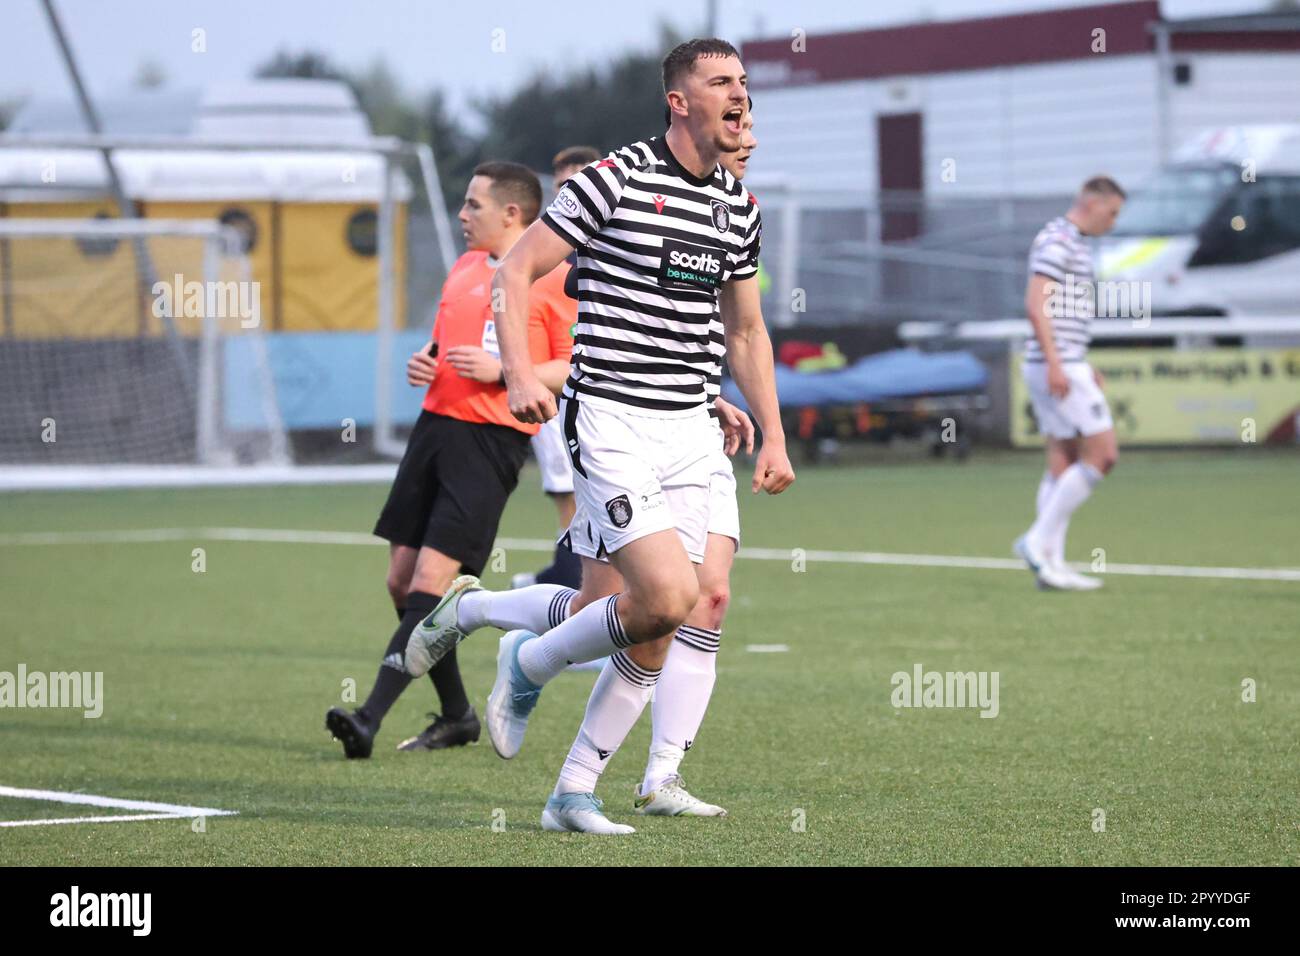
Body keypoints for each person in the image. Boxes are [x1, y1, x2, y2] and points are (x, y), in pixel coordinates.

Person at [407, 38, 794, 834]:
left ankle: (576, 790)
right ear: (679, 101)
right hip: (611, 417)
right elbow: (516, 270)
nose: (740, 95)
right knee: (661, 599)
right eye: (721, 82)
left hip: (691, 426)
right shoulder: (617, 178)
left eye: (745, 83)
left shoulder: (740, 207)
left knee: (686, 604)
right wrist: (517, 371)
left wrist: (776, 438)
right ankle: (527, 659)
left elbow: (747, 333)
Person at [324, 161, 574, 757]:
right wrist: (425, 359)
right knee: (402, 581)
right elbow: (443, 342)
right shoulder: (465, 267)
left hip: (488, 445)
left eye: (473, 206)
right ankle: (459, 714)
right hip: (433, 431)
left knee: (433, 586)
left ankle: (368, 720)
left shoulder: (554, 278)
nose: (462, 217)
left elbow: (573, 363)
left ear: (513, 214)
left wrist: (507, 371)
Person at [1014, 176, 1125, 591]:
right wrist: (1059, 364)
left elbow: (1061, 313)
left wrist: (1078, 359)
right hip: (1054, 364)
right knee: (1104, 455)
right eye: (1112, 212)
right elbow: (1035, 303)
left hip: (1061, 361)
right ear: (1092, 204)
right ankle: (1037, 541)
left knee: (1063, 457)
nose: (1112, 223)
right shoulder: (1058, 239)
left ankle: (1051, 565)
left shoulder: (1072, 242)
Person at [511, 146, 603, 593]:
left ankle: (536, 588)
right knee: (579, 521)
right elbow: (531, 367)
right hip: (564, 414)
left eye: (582, 185)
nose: (574, 198)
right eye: (564, 189)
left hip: (629, 412)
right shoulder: (544, 273)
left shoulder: (623, 263)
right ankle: (572, 627)